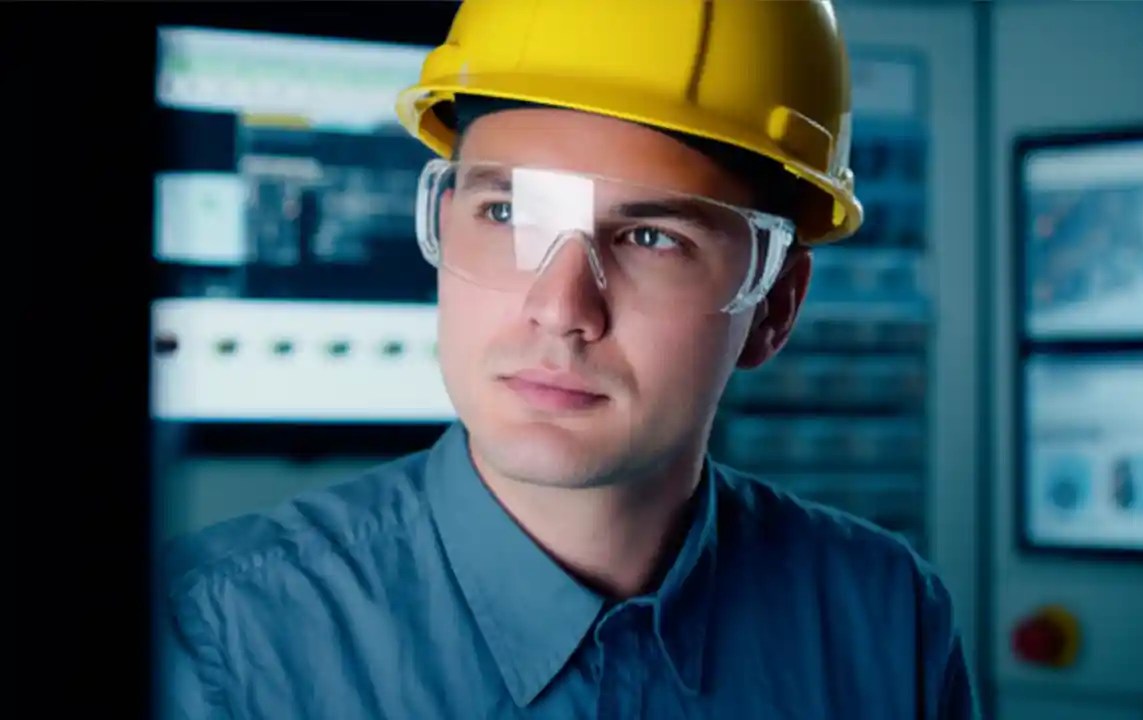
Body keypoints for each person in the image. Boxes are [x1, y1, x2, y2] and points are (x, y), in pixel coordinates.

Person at [158, 1, 981, 718]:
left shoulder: (886, 622)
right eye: (507, 209)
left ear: (774, 307)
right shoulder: (215, 638)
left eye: (652, 237)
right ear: (443, 226)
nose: (560, 309)